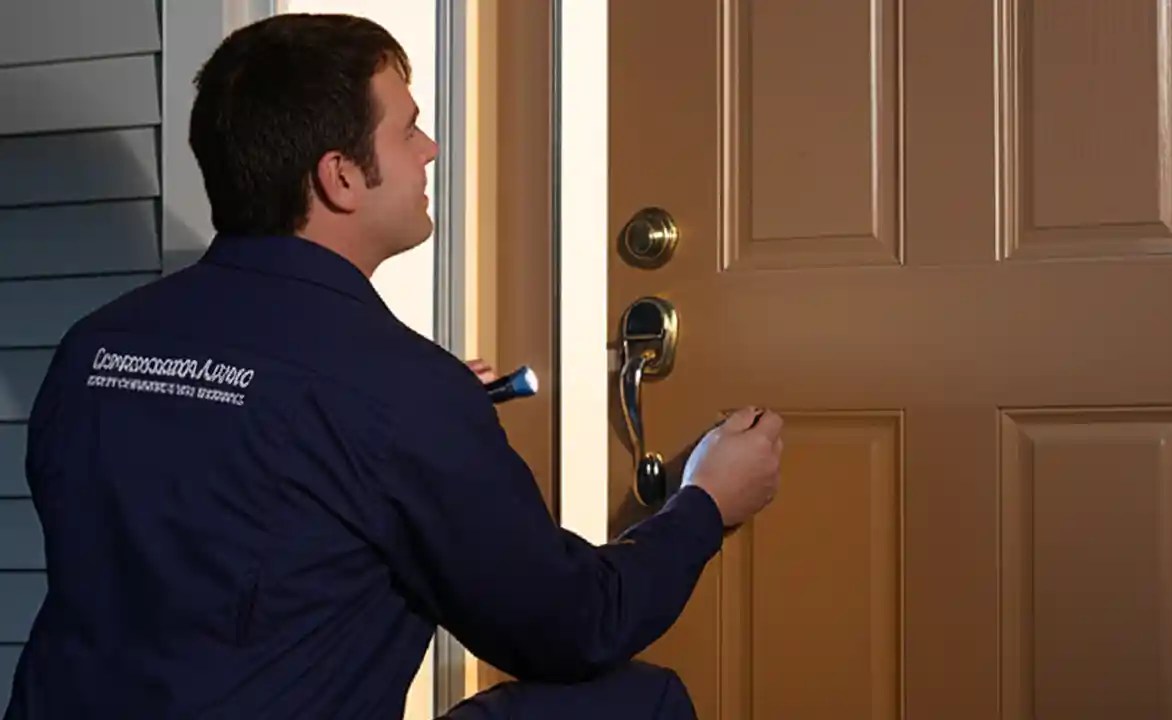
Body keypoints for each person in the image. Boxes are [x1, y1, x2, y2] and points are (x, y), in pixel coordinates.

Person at [3, 13, 783, 720]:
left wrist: (400, 433)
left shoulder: (93, 348)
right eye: (409, 130)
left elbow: (223, 469)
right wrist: (707, 502)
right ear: (339, 176)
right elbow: (575, 626)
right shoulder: (393, 391)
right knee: (639, 705)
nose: (432, 149)